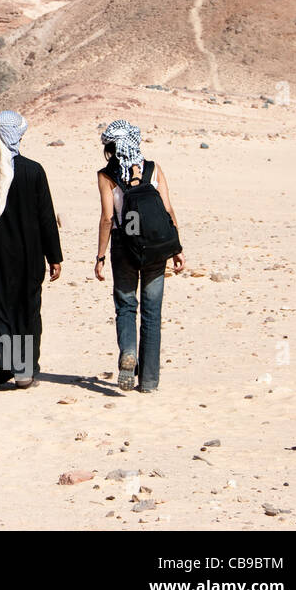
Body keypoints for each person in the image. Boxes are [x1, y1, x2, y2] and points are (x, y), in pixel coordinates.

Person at [0, 110, 63, 392]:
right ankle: (24, 372)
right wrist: (55, 257)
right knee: (26, 310)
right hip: (29, 257)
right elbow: (46, 218)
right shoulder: (34, 171)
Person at [94, 120, 185, 393]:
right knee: (152, 312)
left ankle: (128, 351)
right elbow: (168, 209)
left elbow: (108, 218)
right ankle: (148, 381)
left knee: (125, 306)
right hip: (156, 245)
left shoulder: (107, 175)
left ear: (111, 146)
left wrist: (100, 256)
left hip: (124, 246)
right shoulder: (153, 169)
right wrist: (177, 247)